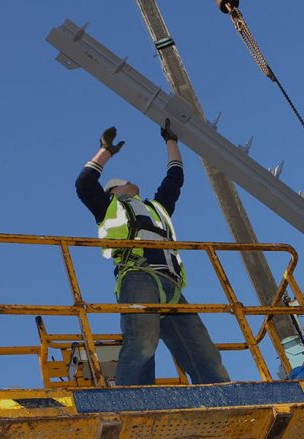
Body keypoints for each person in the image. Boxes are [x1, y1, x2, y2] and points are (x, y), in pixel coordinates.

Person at [75, 119, 230, 386]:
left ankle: (224, 397)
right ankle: (133, 401)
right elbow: (84, 184)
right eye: (122, 182)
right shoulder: (108, 207)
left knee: (204, 353)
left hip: (171, 286)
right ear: (113, 192)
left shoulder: (157, 208)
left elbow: (174, 179)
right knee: (142, 344)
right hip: (139, 276)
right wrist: (105, 152)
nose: (130, 181)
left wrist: (171, 141)